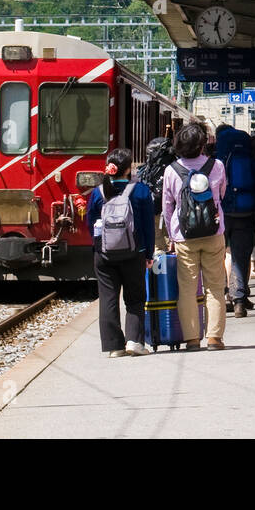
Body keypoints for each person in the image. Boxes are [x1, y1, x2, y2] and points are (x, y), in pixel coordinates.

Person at [161, 122, 229, 351]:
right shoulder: (217, 166)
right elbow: (221, 194)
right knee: (215, 287)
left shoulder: (171, 170)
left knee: (188, 288)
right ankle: (214, 338)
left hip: (183, 236)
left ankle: (191, 338)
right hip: (213, 232)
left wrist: (172, 236)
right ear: (202, 145)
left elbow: (167, 207)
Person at [88, 148, 156, 357]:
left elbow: (90, 223)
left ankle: (114, 346)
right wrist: (148, 255)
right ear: (128, 169)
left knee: (108, 297)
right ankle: (134, 341)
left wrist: (101, 246)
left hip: (104, 255)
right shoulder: (141, 191)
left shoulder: (97, 193)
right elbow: (148, 227)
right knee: (135, 297)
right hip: (135, 252)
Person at [216, 123, 255, 317]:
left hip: (223, 214)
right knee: (241, 257)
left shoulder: (218, 161)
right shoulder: (251, 160)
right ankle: (239, 301)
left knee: (219, 255)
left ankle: (222, 295)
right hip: (246, 214)